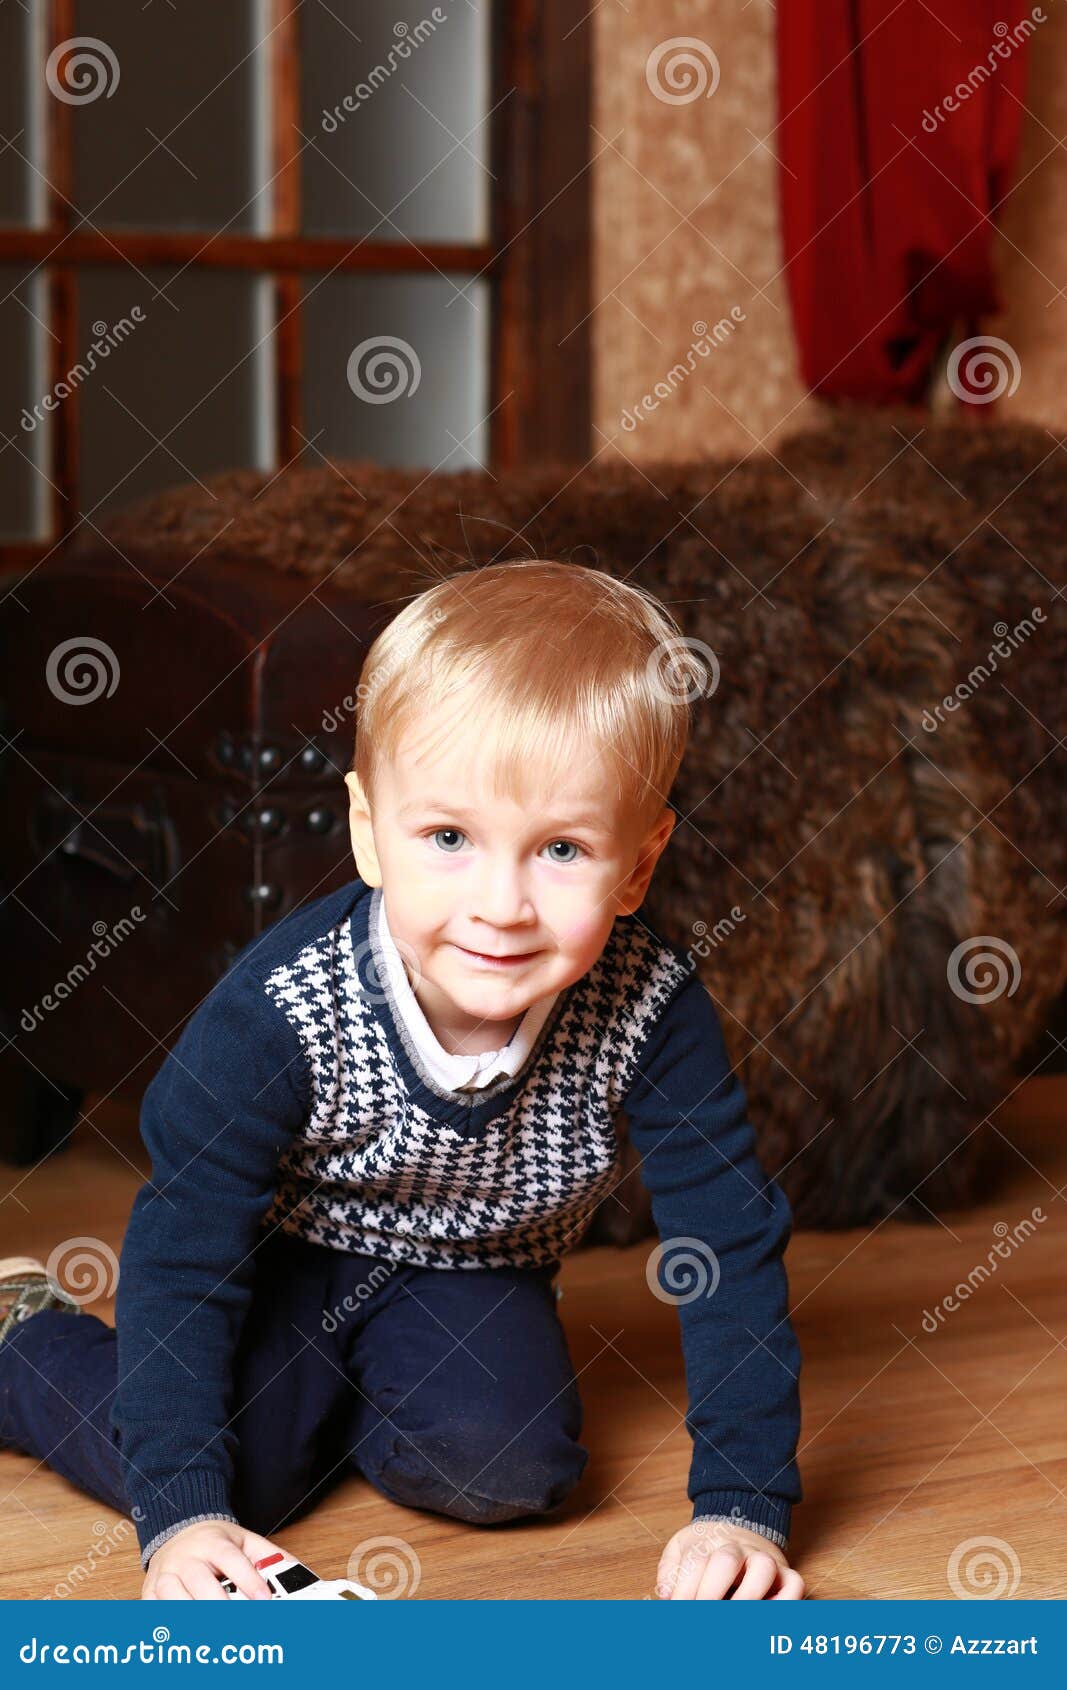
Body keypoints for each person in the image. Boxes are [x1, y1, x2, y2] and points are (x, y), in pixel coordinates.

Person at [0, 560, 804, 1601]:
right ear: (368, 830)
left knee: (515, 1465)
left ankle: (335, 1392)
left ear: (637, 865)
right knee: (237, 1475)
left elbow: (726, 1241)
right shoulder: (281, 1011)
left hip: (469, 1268)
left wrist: (742, 1503)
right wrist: (182, 1512)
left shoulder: (651, 1006)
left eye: (560, 847)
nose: (501, 904)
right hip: (278, 1259)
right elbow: (184, 1246)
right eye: (448, 838)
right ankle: (26, 1339)